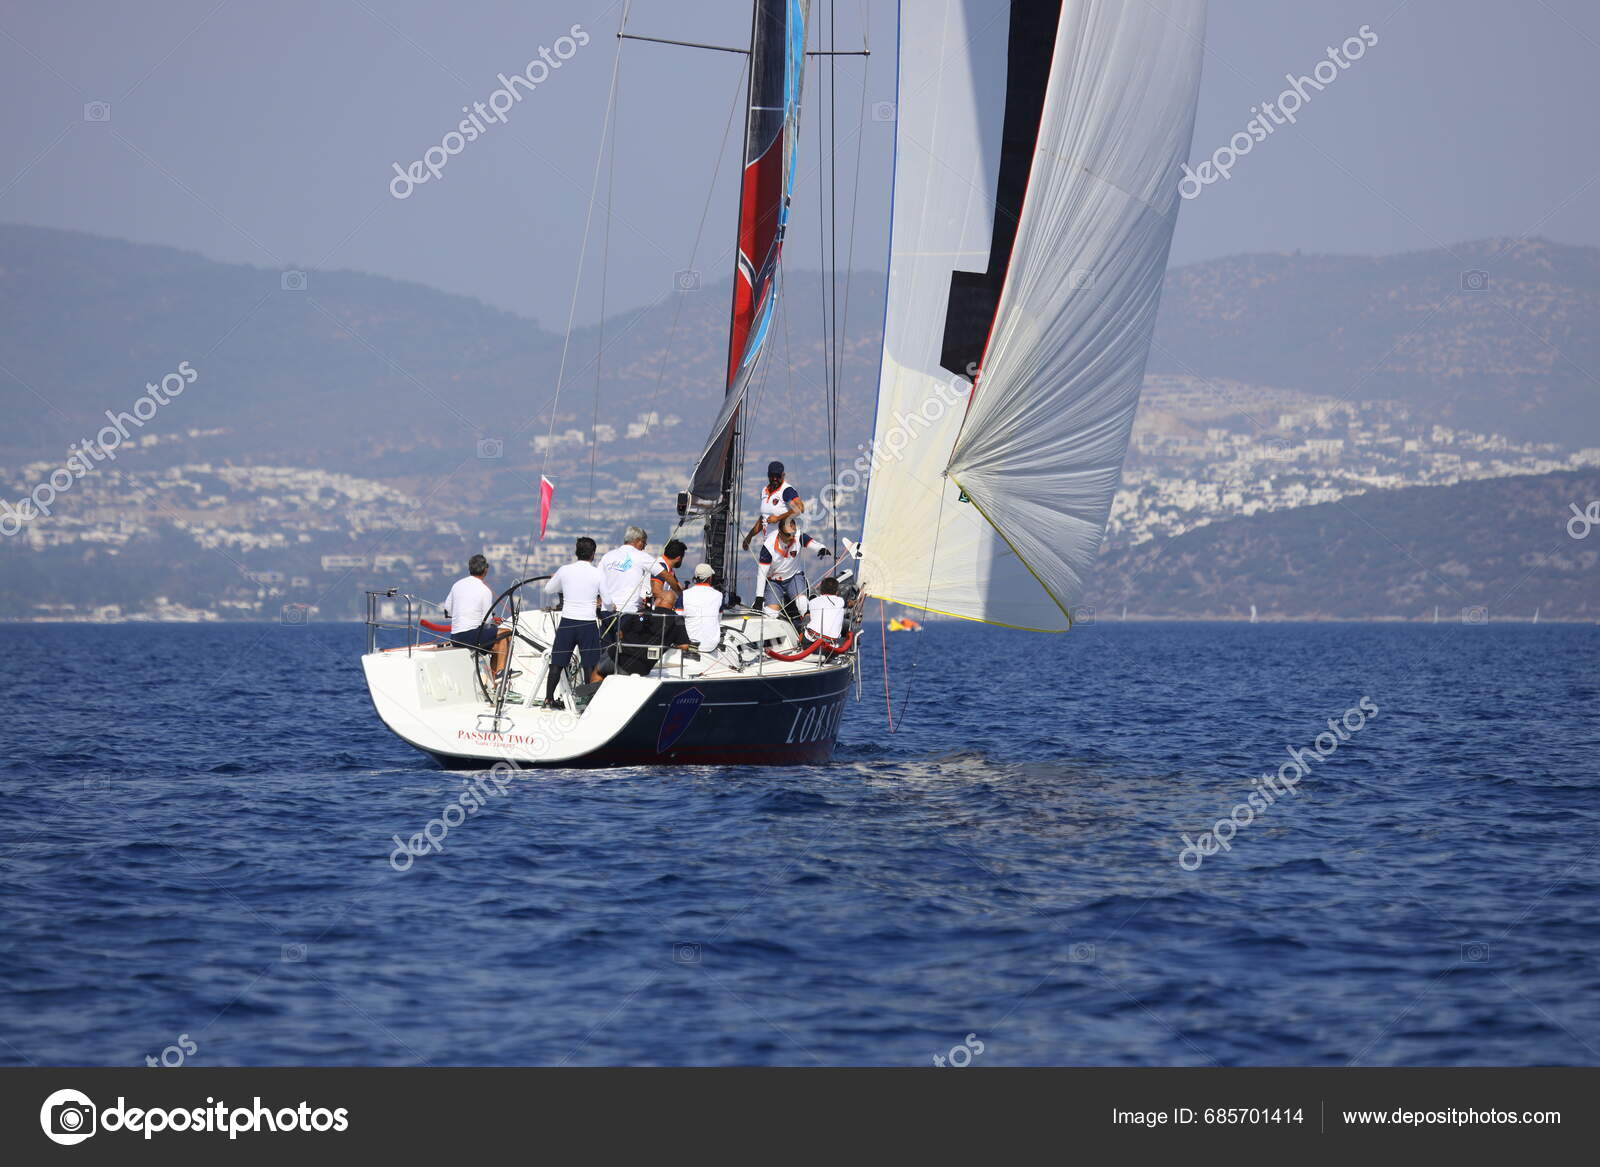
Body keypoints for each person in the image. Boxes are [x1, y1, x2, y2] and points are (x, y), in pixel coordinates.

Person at [541, 536, 604, 709]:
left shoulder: (564, 570)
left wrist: (561, 581)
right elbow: (609, 599)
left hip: (568, 622)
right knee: (589, 663)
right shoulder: (598, 572)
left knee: (558, 662)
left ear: (576, 553)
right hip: (588, 623)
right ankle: (588, 701)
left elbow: (548, 589)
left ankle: (548, 700)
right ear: (593, 554)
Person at [442, 554, 516, 692]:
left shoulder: (457, 585)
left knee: (497, 641)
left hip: (455, 637)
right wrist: (494, 623)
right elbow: (486, 620)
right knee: (505, 634)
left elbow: (448, 608)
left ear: (470, 568)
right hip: (471, 636)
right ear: (485, 570)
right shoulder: (485, 591)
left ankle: (497, 681)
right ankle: (499, 674)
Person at [755, 515, 830, 625]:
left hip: (794, 577)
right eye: (788, 534)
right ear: (780, 532)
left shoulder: (797, 536)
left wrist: (821, 548)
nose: (791, 537)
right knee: (771, 614)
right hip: (774, 581)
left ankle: (807, 629)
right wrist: (759, 598)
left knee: (803, 603)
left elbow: (812, 543)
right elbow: (761, 574)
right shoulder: (768, 546)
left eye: (793, 533)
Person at [741, 460, 804, 551]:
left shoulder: (786, 491)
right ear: (768, 475)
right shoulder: (764, 491)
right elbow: (763, 519)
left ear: (783, 475)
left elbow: (800, 508)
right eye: (772, 476)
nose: (774, 479)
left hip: (784, 545)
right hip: (768, 543)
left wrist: (778, 518)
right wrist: (749, 536)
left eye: (777, 476)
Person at [598, 525, 650, 616]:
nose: (644, 548)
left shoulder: (607, 556)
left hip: (612, 609)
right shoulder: (642, 558)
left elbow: (598, 580)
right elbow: (598, 581)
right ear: (638, 541)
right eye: (644, 544)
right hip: (624, 610)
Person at [682, 563, 724, 654]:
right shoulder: (719, 596)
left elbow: (677, 618)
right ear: (710, 578)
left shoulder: (684, 594)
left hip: (689, 643)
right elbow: (718, 619)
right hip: (710, 645)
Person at [806, 575, 845, 642]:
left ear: (821, 590)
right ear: (837, 591)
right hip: (832, 641)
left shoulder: (812, 601)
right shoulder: (841, 601)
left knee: (806, 618)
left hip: (813, 638)